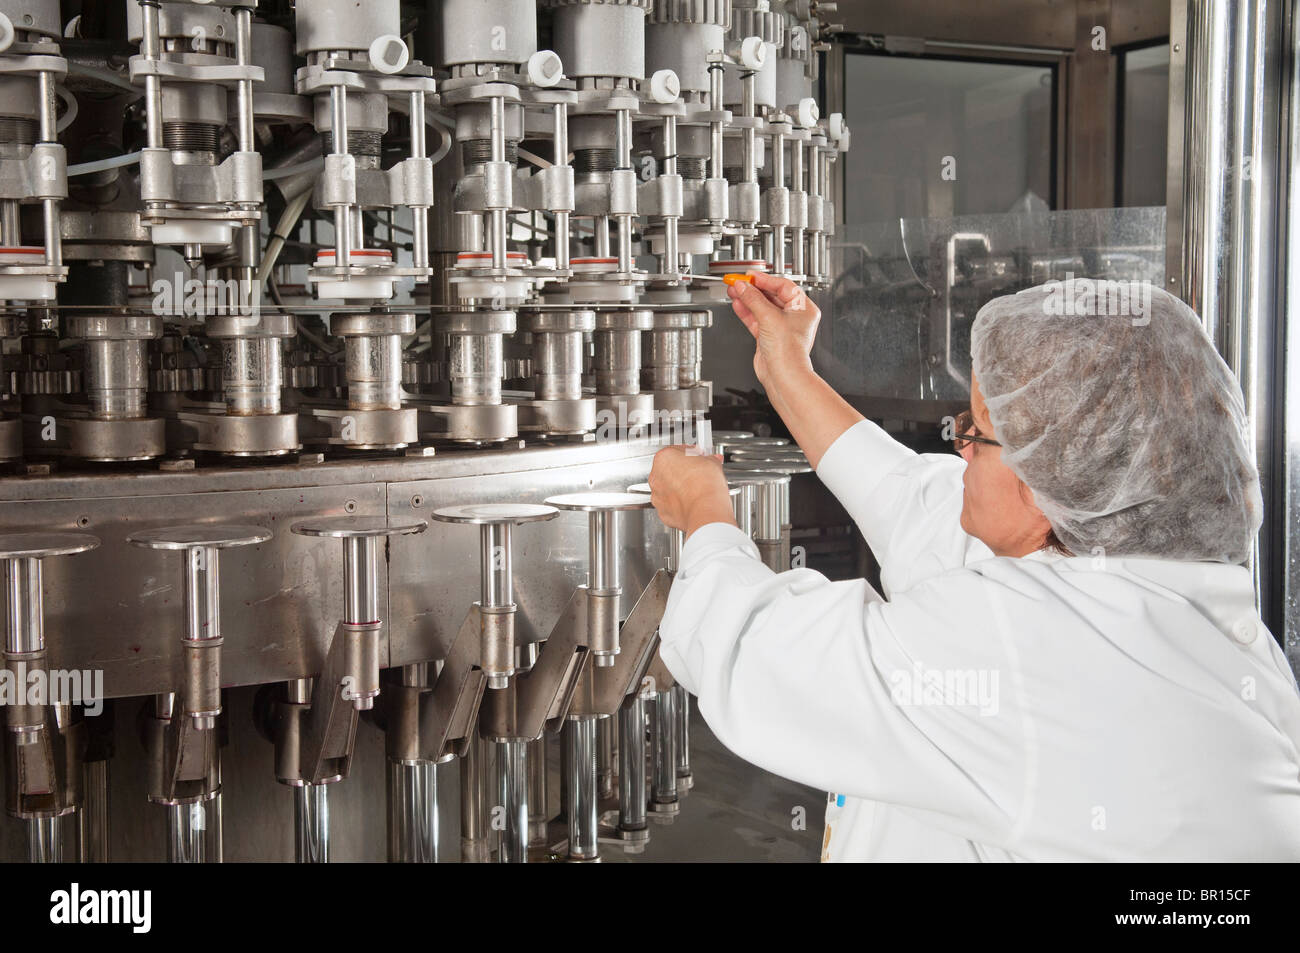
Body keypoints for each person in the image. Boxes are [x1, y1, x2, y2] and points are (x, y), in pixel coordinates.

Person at [647, 273, 1300, 862]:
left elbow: (762, 654)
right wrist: (787, 366)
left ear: (1047, 488)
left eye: (978, 431)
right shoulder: (1131, 587)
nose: (958, 443)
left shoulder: (1037, 661)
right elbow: (910, 498)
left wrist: (702, 507)